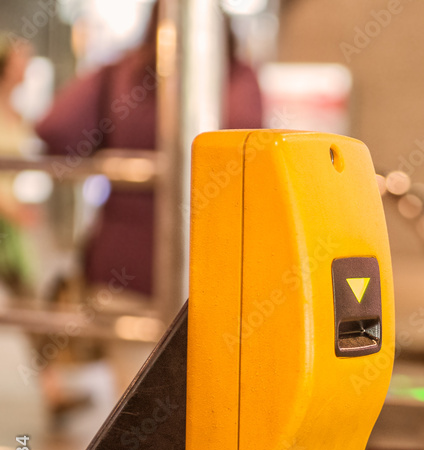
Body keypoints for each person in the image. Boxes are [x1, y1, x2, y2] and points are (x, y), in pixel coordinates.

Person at [35, 2, 264, 299]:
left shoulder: (121, 74)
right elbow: (250, 151)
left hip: (121, 265)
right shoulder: (237, 77)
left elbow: (57, 129)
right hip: (214, 268)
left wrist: (112, 144)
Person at [0, 35, 37, 295]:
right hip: (6, 212)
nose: (27, 64)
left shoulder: (18, 112)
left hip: (11, 216)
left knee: (25, 291)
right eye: (21, 58)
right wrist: (10, 209)